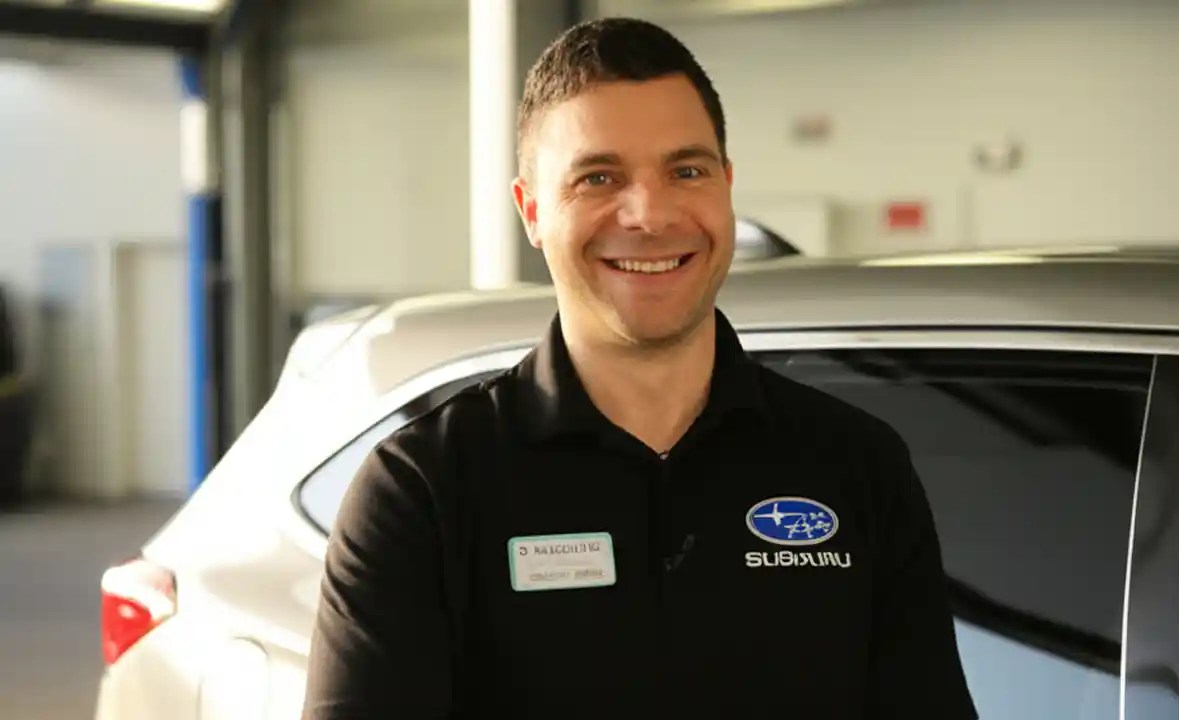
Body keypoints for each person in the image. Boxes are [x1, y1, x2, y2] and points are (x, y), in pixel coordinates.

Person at [302, 17, 977, 719]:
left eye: (686, 170)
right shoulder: (423, 493)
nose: (650, 215)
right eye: (599, 177)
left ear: (727, 186)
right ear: (531, 211)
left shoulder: (858, 469)